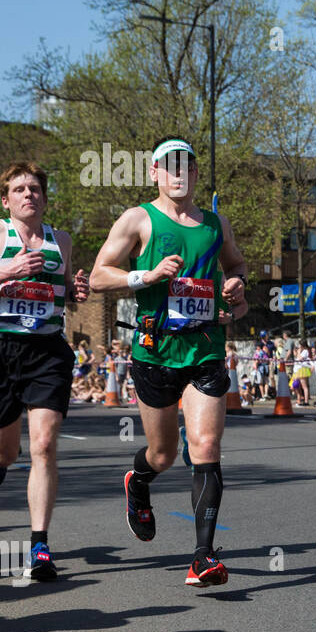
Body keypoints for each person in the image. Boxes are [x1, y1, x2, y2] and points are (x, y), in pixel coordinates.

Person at [90, 136, 249, 588]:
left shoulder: (216, 224)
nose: (179, 173)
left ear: (197, 174)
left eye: (188, 166)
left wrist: (235, 289)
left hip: (205, 349)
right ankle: (138, 483)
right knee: (161, 454)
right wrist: (147, 275)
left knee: (206, 446)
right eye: (169, 165)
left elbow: (236, 269)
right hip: (155, 351)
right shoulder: (139, 218)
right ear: (155, 173)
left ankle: (202, 556)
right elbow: (101, 274)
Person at [0, 161, 91, 580]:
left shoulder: (59, 240)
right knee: (6, 452)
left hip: (47, 351)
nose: (29, 194)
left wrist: (76, 291)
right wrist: (3, 272)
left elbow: (65, 295)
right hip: (1, 351)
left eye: (36, 189)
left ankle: (40, 544)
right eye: (20, 189)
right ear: (6, 199)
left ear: (45, 197)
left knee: (43, 444)